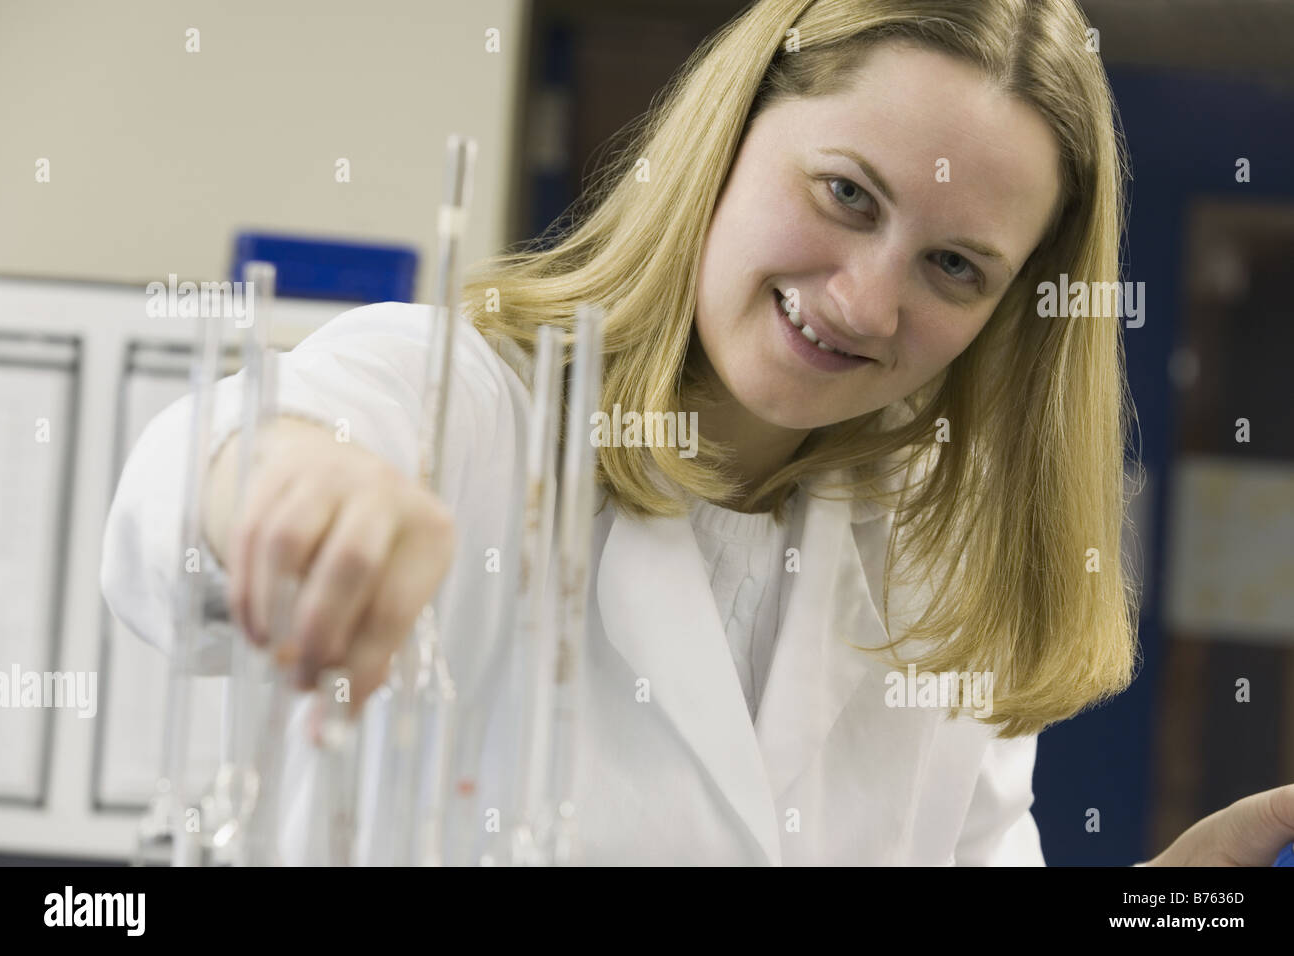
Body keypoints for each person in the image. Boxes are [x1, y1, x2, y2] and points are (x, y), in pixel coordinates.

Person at [101, 0, 1293, 865]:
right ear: (724, 142)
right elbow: (186, 498)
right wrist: (286, 485)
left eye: (953, 265)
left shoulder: (934, 568)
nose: (868, 301)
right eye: (846, 194)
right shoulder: (467, 404)